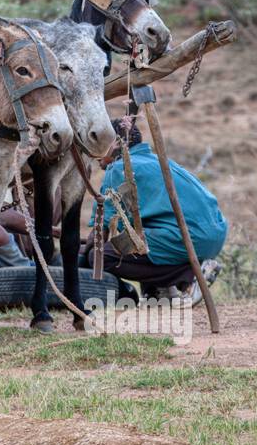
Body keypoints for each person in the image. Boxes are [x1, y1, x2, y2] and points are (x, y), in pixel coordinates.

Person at [84, 116, 226, 304]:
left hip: (187, 238)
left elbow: (100, 233)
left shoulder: (119, 169)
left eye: (98, 142)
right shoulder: (159, 160)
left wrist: (81, 254)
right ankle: (161, 289)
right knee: (136, 237)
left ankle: (189, 275)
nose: (93, 151)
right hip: (213, 234)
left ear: (115, 144)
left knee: (99, 256)